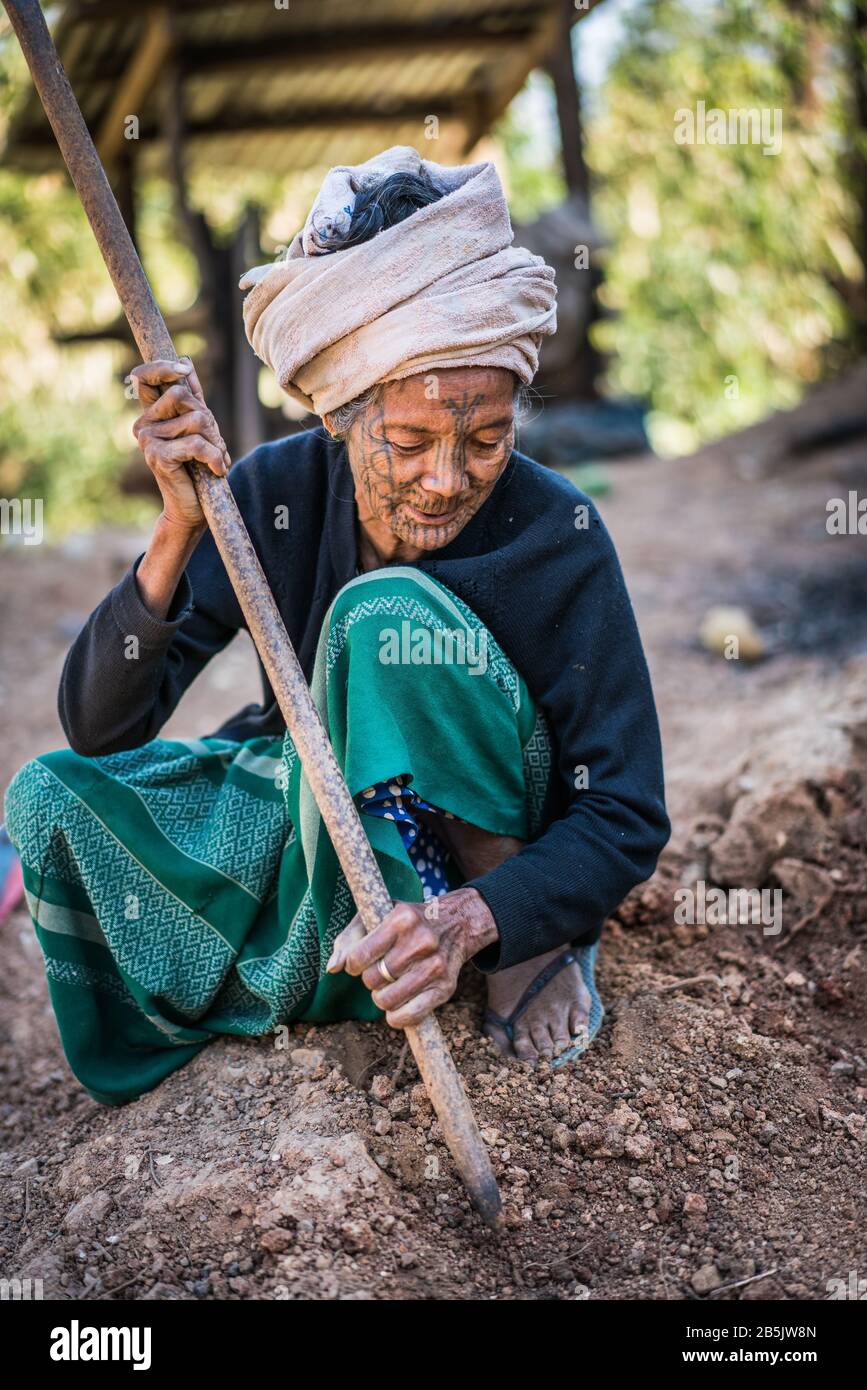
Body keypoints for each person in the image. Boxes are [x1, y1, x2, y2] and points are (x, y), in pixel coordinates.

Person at [4, 148, 669, 1106]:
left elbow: (624, 810)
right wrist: (181, 525)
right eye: (406, 442)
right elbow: (101, 728)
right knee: (51, 799)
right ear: (338, 416)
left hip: (498, 851)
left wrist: (482, 916)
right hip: (329, 809)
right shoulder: (272, 495)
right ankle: (350, 947)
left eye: (487, 441)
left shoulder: (558, 531)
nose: (447, 478)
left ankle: (491, 938)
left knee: (381, 617)